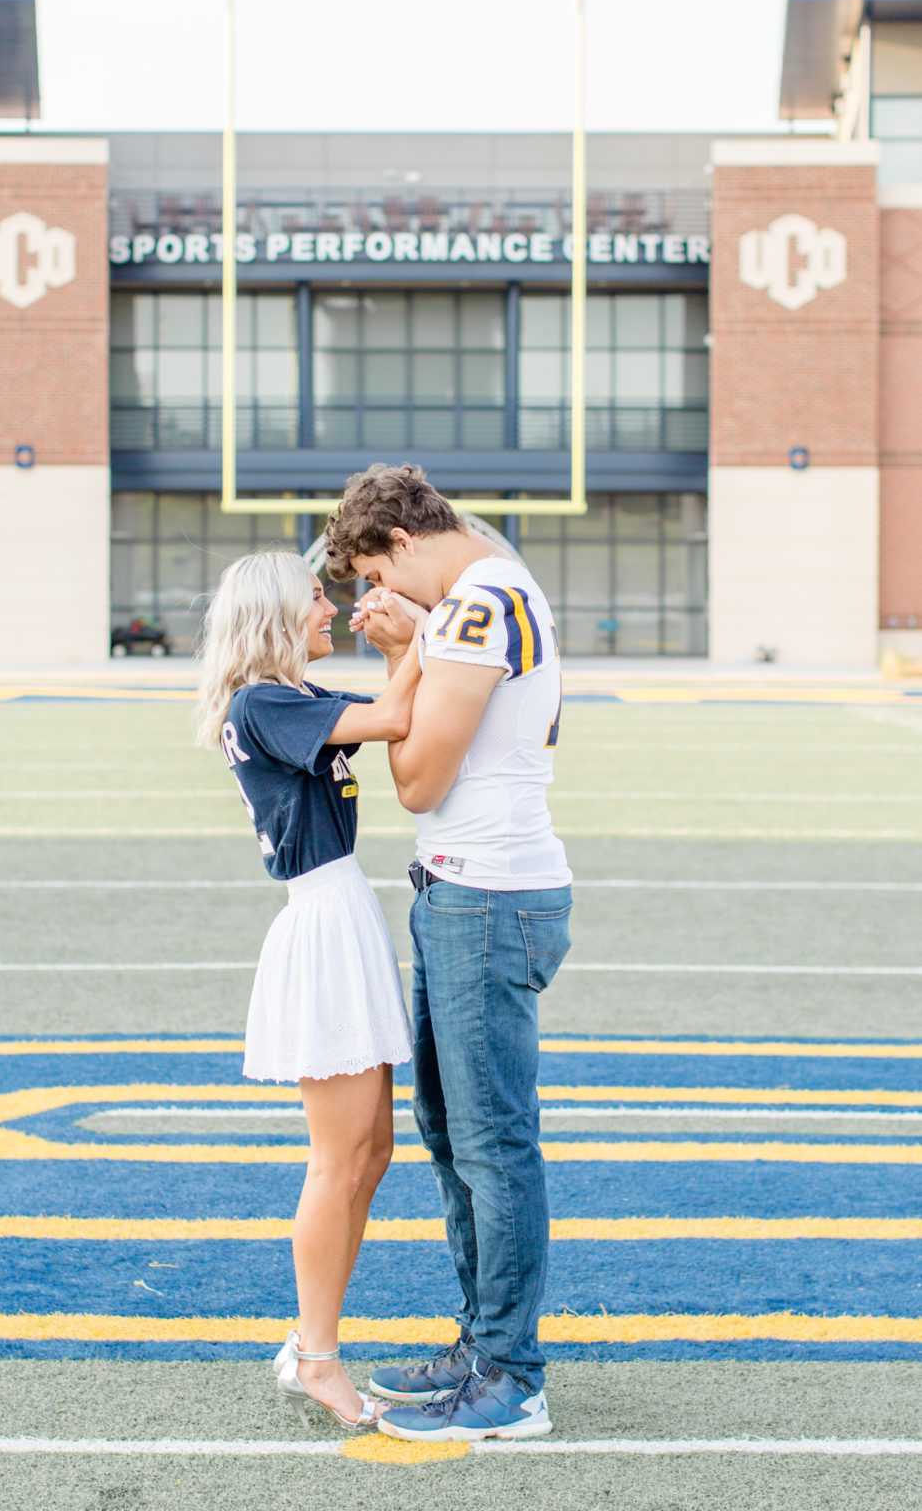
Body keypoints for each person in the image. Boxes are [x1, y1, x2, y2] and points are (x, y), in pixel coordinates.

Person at [324, 464, 573, 1443]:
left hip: (484, 890)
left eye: (373, 574)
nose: (374, 598)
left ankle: (510, 1373)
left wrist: (407, 652)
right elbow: (460, 539)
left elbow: (418, 778)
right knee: (452, 1128)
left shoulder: (475, 604)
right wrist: (417, 628)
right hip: (468, 889)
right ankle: (484, 1342)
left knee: (491, 1140)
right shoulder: (489, 581)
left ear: (396, 543)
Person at [194, 550, 422, 1432]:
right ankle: (317, 1356)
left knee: (371, 1156)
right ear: (275, 616)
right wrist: (413, 636)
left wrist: (404, 643)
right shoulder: (265, 701)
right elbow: (400, 714)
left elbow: (391, 714)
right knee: (338, 1162)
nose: (332, 611)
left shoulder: (288, 700)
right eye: (317, 602)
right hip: (321, 923)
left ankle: (307, 1342)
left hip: (343, 911)